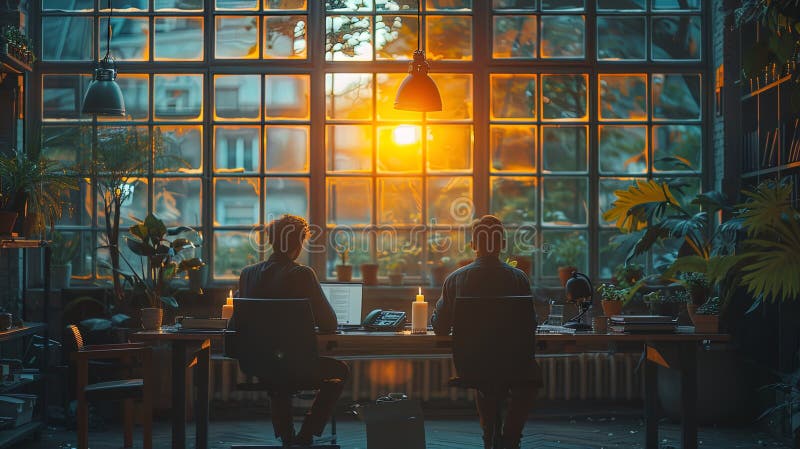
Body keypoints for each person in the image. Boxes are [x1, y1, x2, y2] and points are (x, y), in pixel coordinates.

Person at [235, 214, 348, 447]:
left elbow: (237, 322)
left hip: (257, 362)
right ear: (298, 244)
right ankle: (306, 435)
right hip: (298, 364)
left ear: (271, 241)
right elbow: (329, 324)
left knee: (278, 370)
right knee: (340, 370)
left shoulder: (247, 274)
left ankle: (287, 437)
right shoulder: (302, 274)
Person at [430, 215, 541, 449]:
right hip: (515, 363)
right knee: (531, 374)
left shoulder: (455, 279)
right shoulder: (518, 278)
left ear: (473, 244)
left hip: (471, 364)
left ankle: (489, 436)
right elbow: (531, 323)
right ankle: (510, 438)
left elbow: (439, 326)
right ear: (501, 244)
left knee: (485, 376)